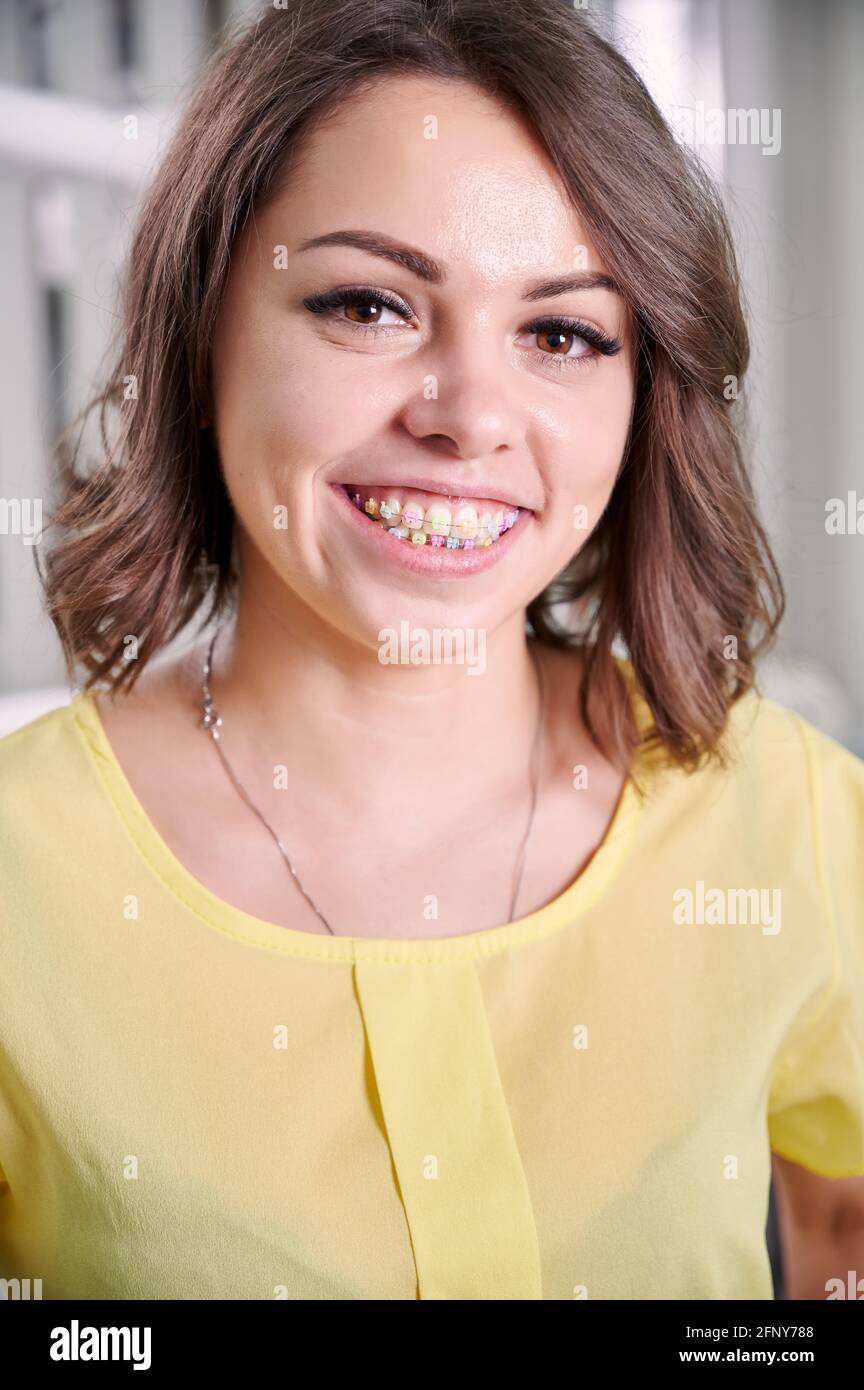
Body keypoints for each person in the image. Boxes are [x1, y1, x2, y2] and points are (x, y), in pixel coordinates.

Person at [1, 0, 862, 1301]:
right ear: (201, 328)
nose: (469, 416)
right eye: (368, 305)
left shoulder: (785, 815)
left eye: (562, 333)